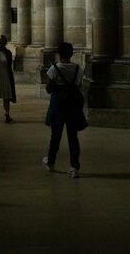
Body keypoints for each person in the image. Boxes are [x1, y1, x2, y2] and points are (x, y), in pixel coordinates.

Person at [43, 41, 87, 178]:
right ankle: (74, 167)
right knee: (73, 137)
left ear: (59, 54)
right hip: (72, 105)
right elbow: (78, 85)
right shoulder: (78, 69)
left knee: (55, 136)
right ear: (71, 54)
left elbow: (49, 89)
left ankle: (50, 162)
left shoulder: (54, 69)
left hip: (58, 105)